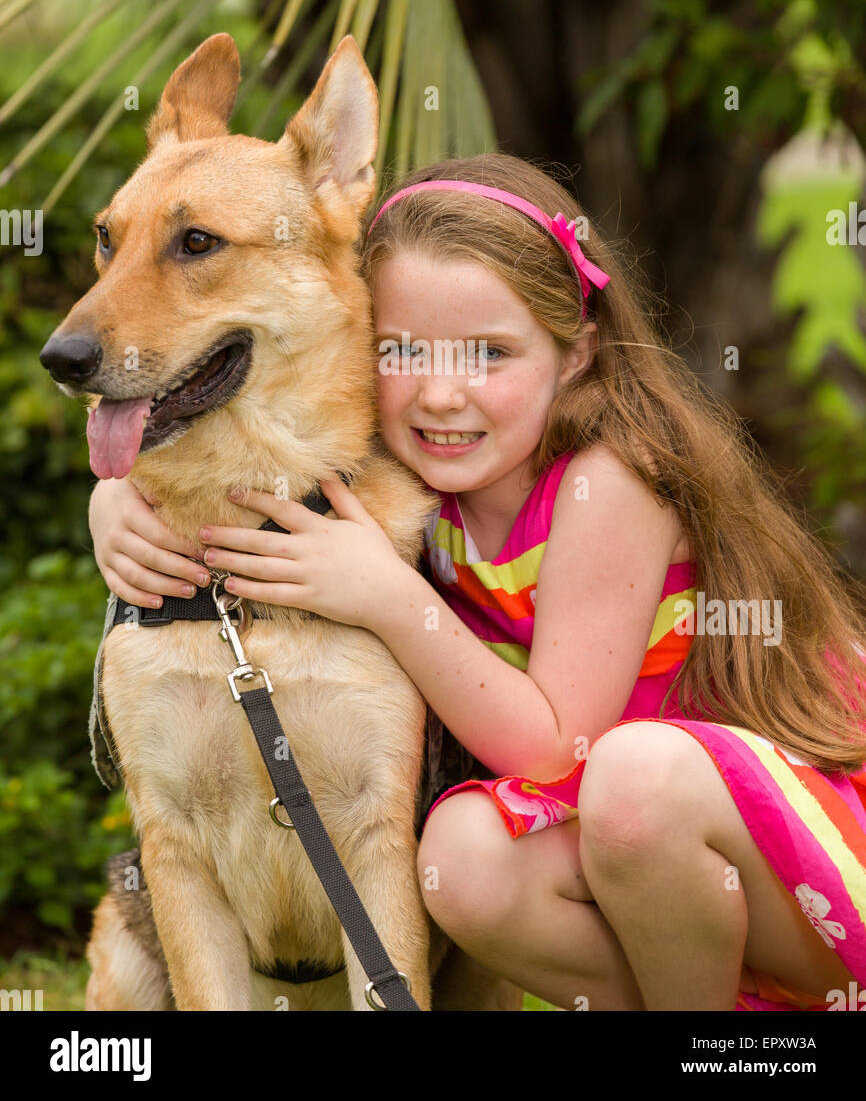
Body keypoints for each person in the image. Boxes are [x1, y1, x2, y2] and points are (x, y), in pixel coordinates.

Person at [87, 153, 866, 1012]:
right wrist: (117, 498)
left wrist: (389, 595)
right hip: (643, 866)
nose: (443, 395)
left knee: (633, 779)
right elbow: (263, 437)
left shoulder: (605, 484)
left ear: (577, 355)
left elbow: (553, 749)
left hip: (798, 867)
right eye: (402, 350)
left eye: (491, 352)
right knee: (461, 856)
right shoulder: (416, 484)